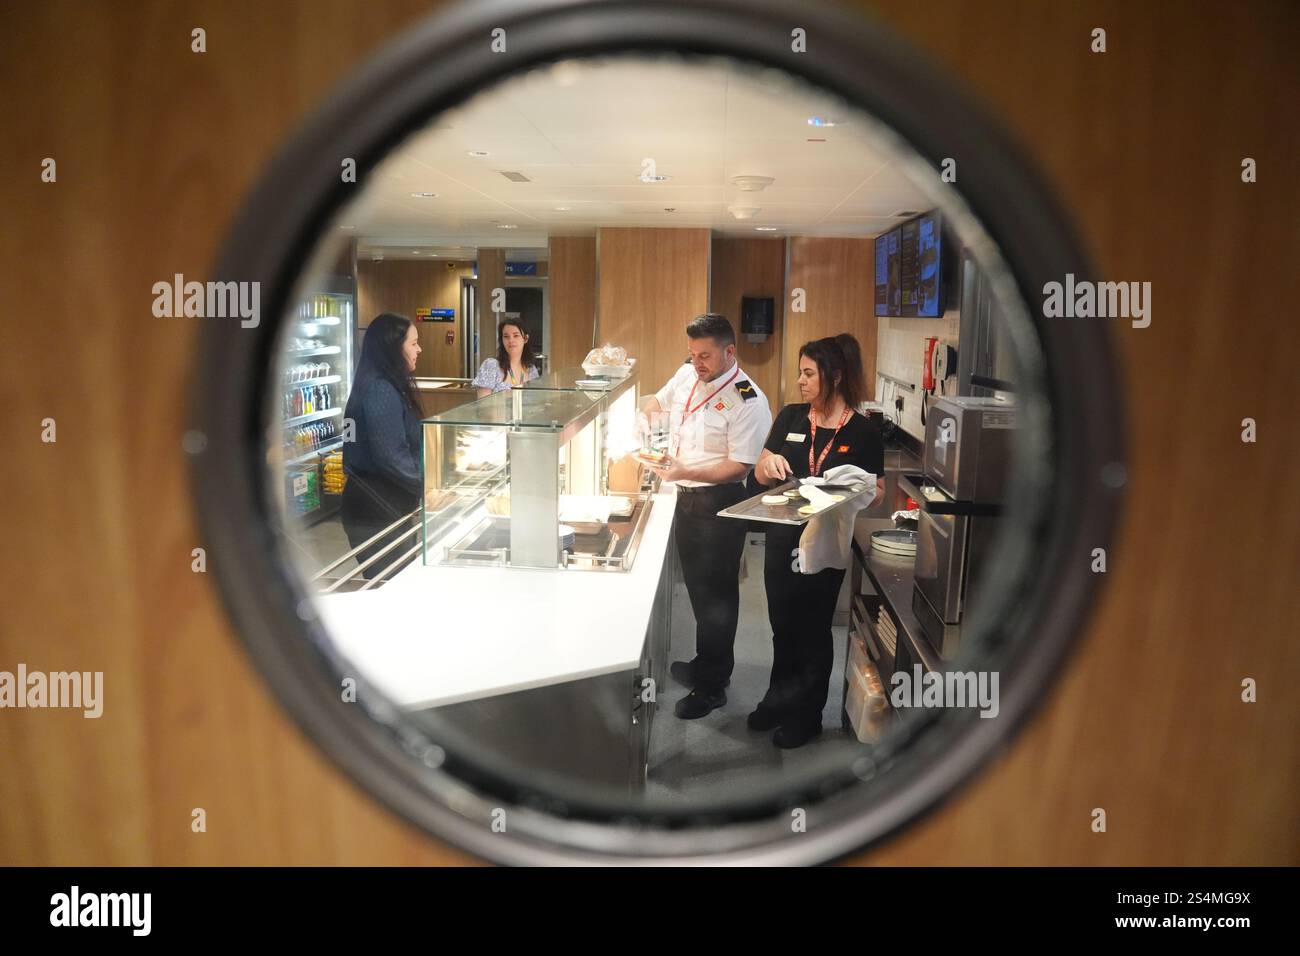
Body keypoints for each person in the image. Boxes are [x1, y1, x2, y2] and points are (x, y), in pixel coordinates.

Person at [748, 335, 885, 748]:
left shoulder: (862, 431)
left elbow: (876, 490)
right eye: (800, 372)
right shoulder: (791, 417)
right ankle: (778, 698)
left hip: (824, 544)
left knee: (812, 628)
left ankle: (807, 714)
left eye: (809, 373)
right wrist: (767, 464)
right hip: (781, 537)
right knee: (781, 625)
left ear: (835, 376)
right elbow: (758, 473)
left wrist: (847, 489)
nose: (800, 380)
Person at [638, 314, 773, 719]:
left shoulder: (748, 398)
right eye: (693, 354)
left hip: (719, 504)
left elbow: (739, 467)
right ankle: (705, 662)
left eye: (706, 356)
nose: (698, 363)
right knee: (698, 590)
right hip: (686, 499)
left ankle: (713, 685)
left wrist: (683, 471)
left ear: (730, 352)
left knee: (717, 598)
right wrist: (647, 417)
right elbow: (656, 400)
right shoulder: (686, 375)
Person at [340, 313, 424, 579]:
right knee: (394, 586)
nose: (419, 349)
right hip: (376, 507)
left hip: (380, 503)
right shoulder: (380, 390)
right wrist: (430, 484)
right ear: (393, 347)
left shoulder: (379, 384)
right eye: (413, 343)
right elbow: (391, 456)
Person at [472, 318, 540, 397]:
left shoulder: (531, 369)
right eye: (506, 336)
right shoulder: (491, 366)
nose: (511, 340)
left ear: (525, 338)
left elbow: (537, 402)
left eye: (516, 335)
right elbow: (483, 405)